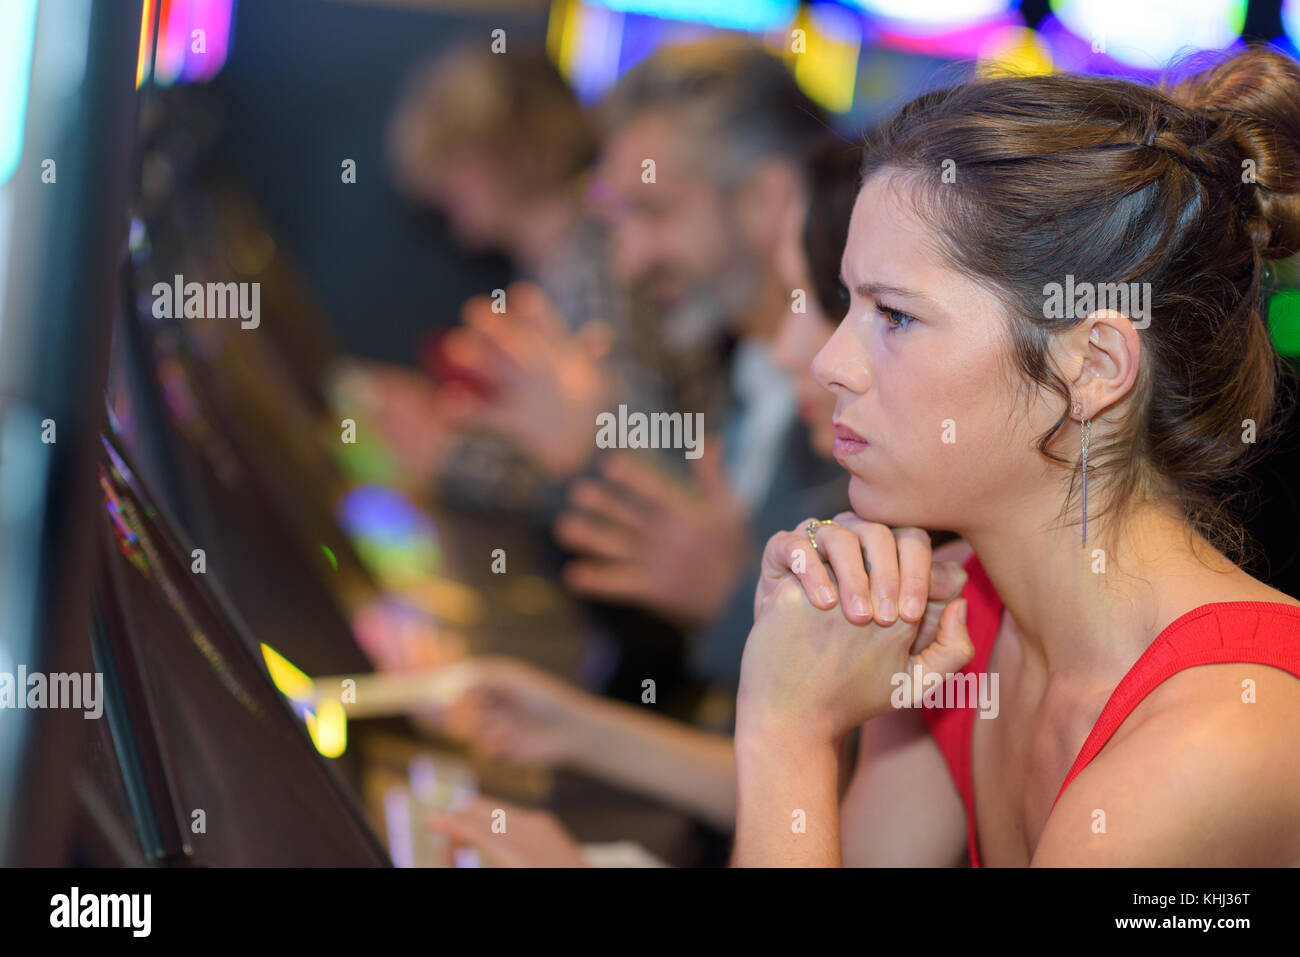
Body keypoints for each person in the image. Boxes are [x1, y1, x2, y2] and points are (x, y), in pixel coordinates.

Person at [734, 46, 1300, 866]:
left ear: (1092, 369)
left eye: (893, 315)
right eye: (850, 303)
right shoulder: (961, 620)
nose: (831, 363)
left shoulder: (1219, 735)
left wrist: (785, 730)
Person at [421, 139, 969, 864]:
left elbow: (806, 793)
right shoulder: (960, 591)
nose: (808, 354)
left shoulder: (956, 594)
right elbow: (824, 813)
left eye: (892, 316)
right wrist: (574, 729)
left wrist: (772, 696)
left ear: (1088, 367)